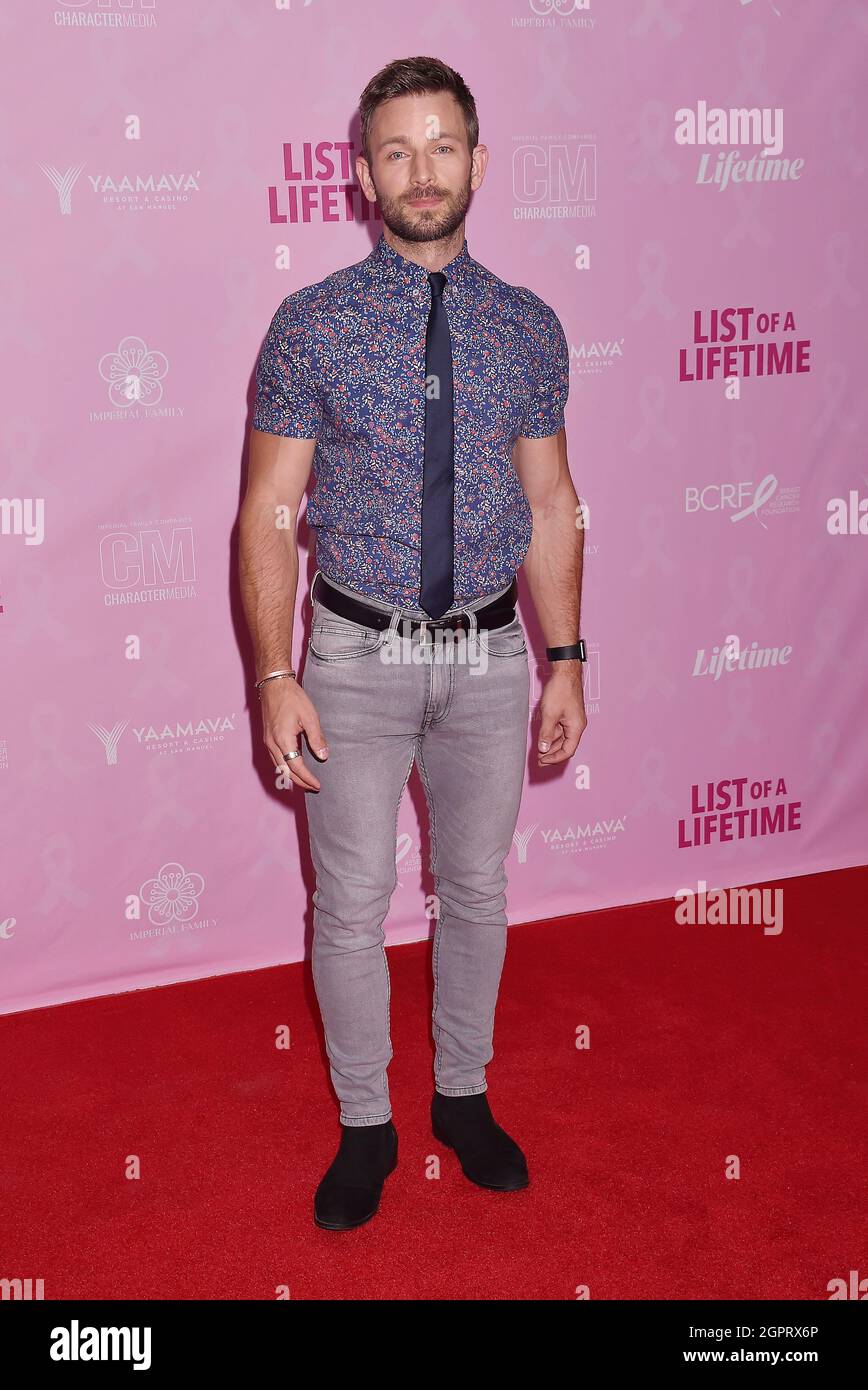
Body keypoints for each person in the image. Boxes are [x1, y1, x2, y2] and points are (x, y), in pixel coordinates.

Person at [239, 55, 587, 1231]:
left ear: (477, 164)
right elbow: (268, 516)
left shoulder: (528, 326)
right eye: (396, 149)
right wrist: (274, 674)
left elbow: (549, 504)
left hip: (491, 658)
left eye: (442, 146)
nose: (421, 170)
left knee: (477, 891)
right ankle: (365, 1124)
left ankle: (460, 1094)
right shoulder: (312, 325)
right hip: (352, 655)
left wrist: (567, 657)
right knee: (350, 903)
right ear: (359, 174)